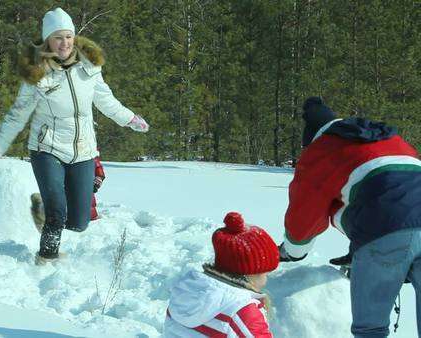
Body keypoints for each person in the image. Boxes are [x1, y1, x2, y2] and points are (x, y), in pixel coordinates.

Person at [0, 7, 149, 264]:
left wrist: (129, 118)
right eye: (58, 37)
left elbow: (106, 101)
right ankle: (46, 259)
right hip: (47, 148)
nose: (64, 43)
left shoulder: (89, 67)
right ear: (48, 40)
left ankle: (42, 208)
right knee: (57, 213)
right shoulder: (37, 74)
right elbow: (17, 116)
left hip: (83, 150)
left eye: (68, 36)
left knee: (79, 223)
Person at [278, 96, 421, 337]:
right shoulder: (391, 138)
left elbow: (304, 216)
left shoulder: (320, 151)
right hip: (399, 219)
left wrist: (291, 251)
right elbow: (397, 193)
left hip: (384, 228)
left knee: (371, 329)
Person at [164, 212, 278, 338]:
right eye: (265, 273)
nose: (266, 279)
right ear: (251, 274)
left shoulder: (186, 290)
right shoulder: (241, 310)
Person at [91, 155, 105, 220]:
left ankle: (92, 216)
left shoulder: (89, 149)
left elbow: (97, 165)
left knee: (88, 198)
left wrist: (99, 177)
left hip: (87, 178)